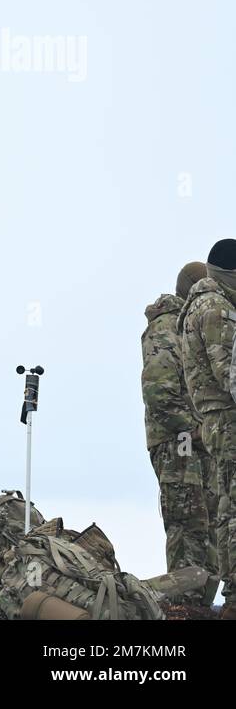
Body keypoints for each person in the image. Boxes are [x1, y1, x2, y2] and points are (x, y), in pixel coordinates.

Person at [142, 262, 212, 603]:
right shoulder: (167, 327)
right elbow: (159, 394)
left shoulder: (191, 325)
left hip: (198, 443)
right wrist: (197, 428)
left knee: (208, 522)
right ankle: (187, 603)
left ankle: (202, 598)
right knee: (187, 523)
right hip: (178, 443)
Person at [180, 239, 236, 618]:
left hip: (217, 422)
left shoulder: (200, 305)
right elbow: (230, 372)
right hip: (229, 421)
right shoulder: (217, 309)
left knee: (227, 505)